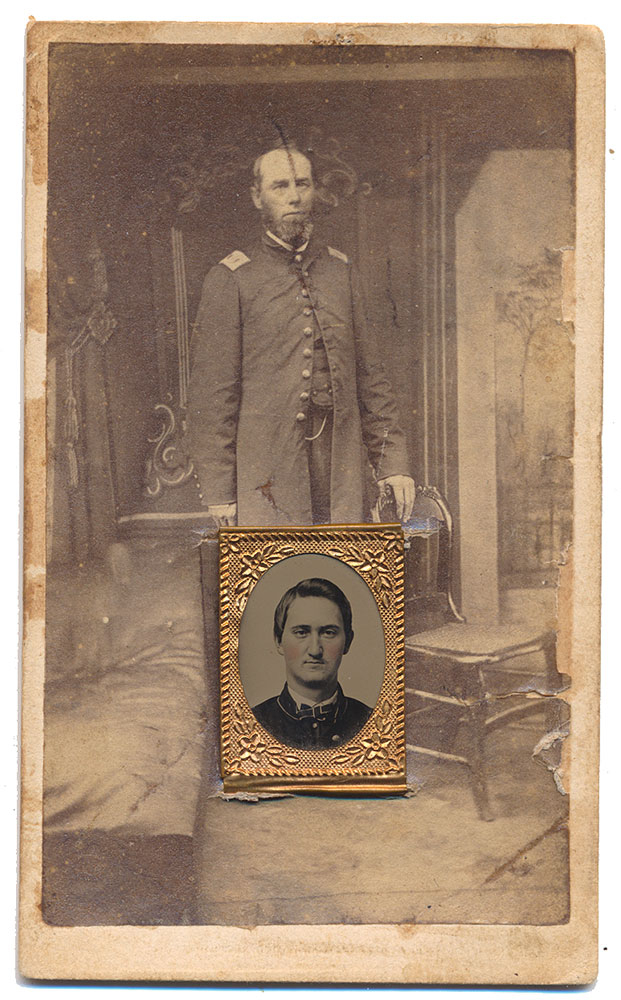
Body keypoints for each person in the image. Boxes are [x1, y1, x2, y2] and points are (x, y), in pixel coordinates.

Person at [186, 141, 415, 526]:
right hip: (268, 473)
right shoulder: (232, 279)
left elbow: (372, 377)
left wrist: (393, 464)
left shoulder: (340, 271)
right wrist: (220, 490)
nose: (294, 197)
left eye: (302, 184)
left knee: (341, 580)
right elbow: (213, 395)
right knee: (277, 583)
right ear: (257, 197)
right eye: (280, 187)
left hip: (340, 469)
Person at [252, 578, 373, 750]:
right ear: (279, 640)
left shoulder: (370, 720)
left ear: (348, 642)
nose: (315, 650)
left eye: (329, 632)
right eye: (301, 632)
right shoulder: (255, 720)